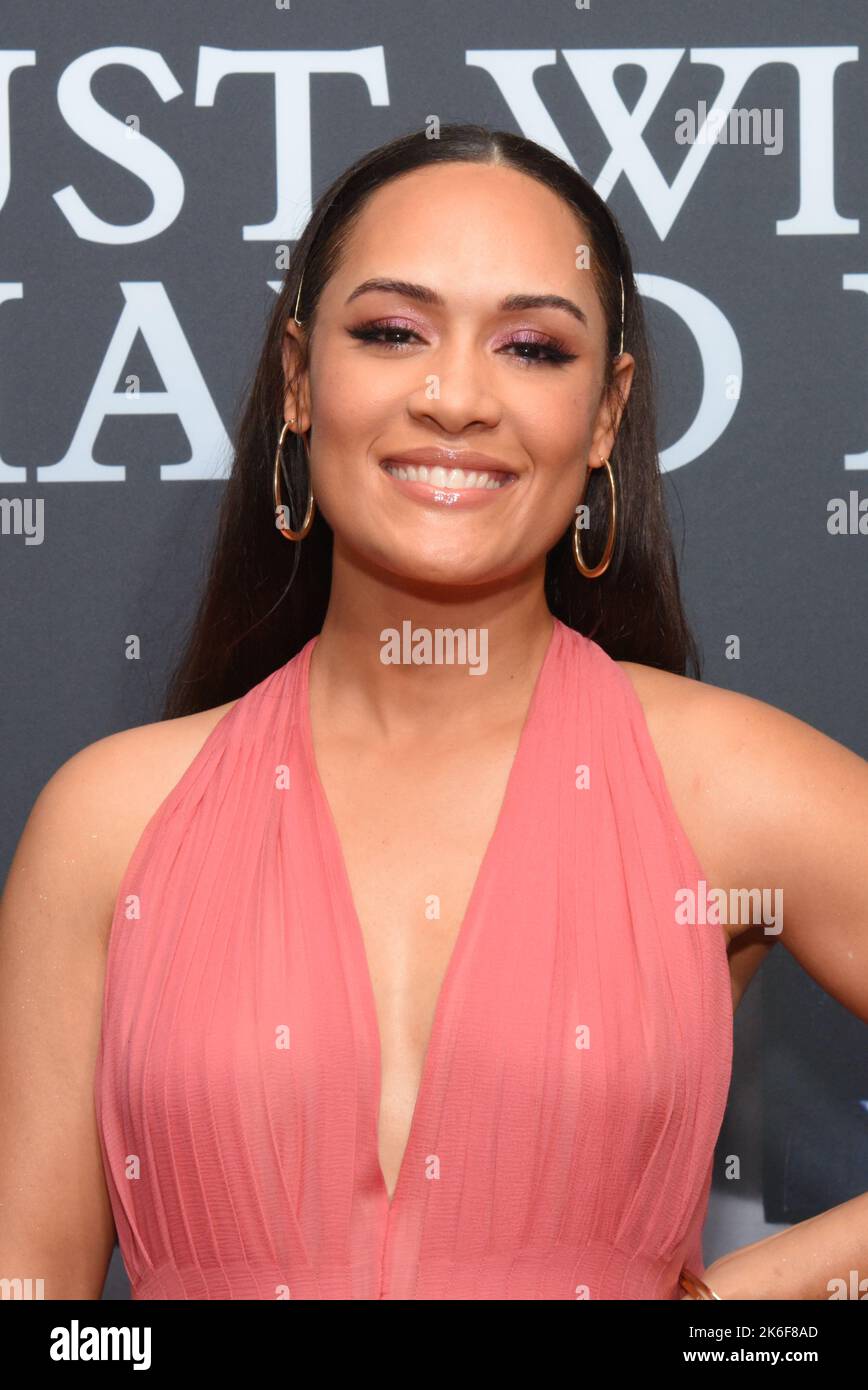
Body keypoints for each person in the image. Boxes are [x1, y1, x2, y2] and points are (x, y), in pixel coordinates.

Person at [1, 124, 866, 1302]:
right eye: (391, 332)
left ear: (606, 415)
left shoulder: (727, 787)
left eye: (529, 347)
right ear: (301, 380)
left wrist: (737, 1314)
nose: (454, 398)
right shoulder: (108, 821)